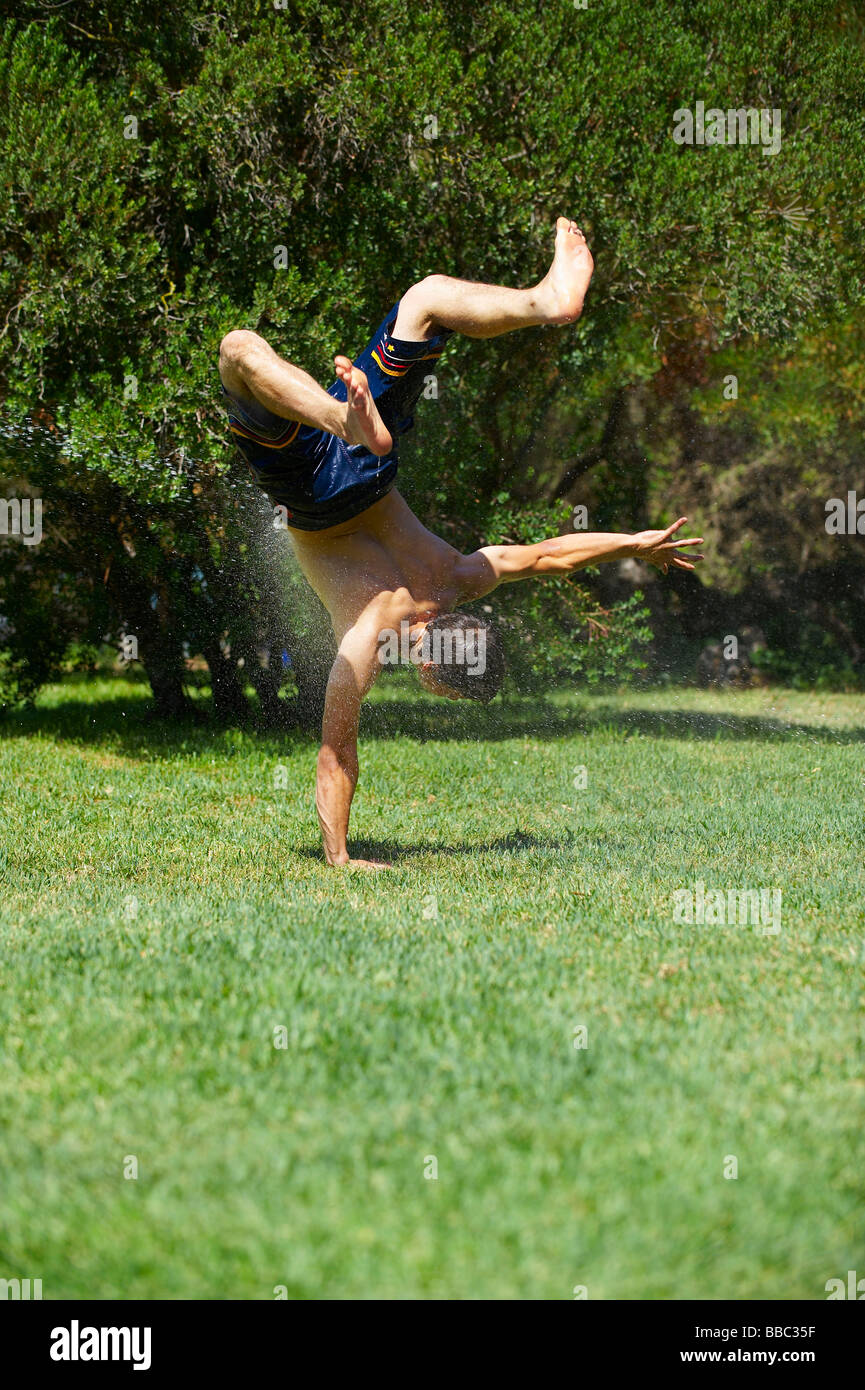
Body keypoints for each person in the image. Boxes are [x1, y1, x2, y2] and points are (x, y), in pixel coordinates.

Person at [219, 220, 703, 867]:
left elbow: (548, 556)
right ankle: (344, 419)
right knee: (239, 352)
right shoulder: (369, 638)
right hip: (309, 488)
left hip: (368, 461)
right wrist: (337, 856)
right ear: (433, 677)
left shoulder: (457, 576)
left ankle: (544, 303)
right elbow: (336, 754)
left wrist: (634, 544)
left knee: (423, 300)